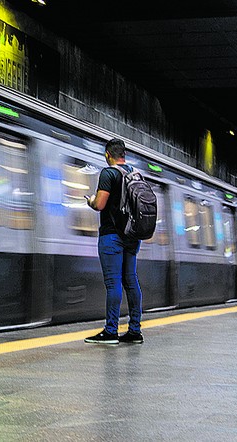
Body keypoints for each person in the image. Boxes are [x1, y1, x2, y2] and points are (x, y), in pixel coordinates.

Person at [84, 138, 144, 344]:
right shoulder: (136, 174)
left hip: (112, 236)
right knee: (131, 281)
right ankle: (135, 330)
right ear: (123, 155)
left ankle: (111, 331)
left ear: (108, 155)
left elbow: (100, 204)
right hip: (132, 236)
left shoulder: (108, 173)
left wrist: (91, 201)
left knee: (113, 283)